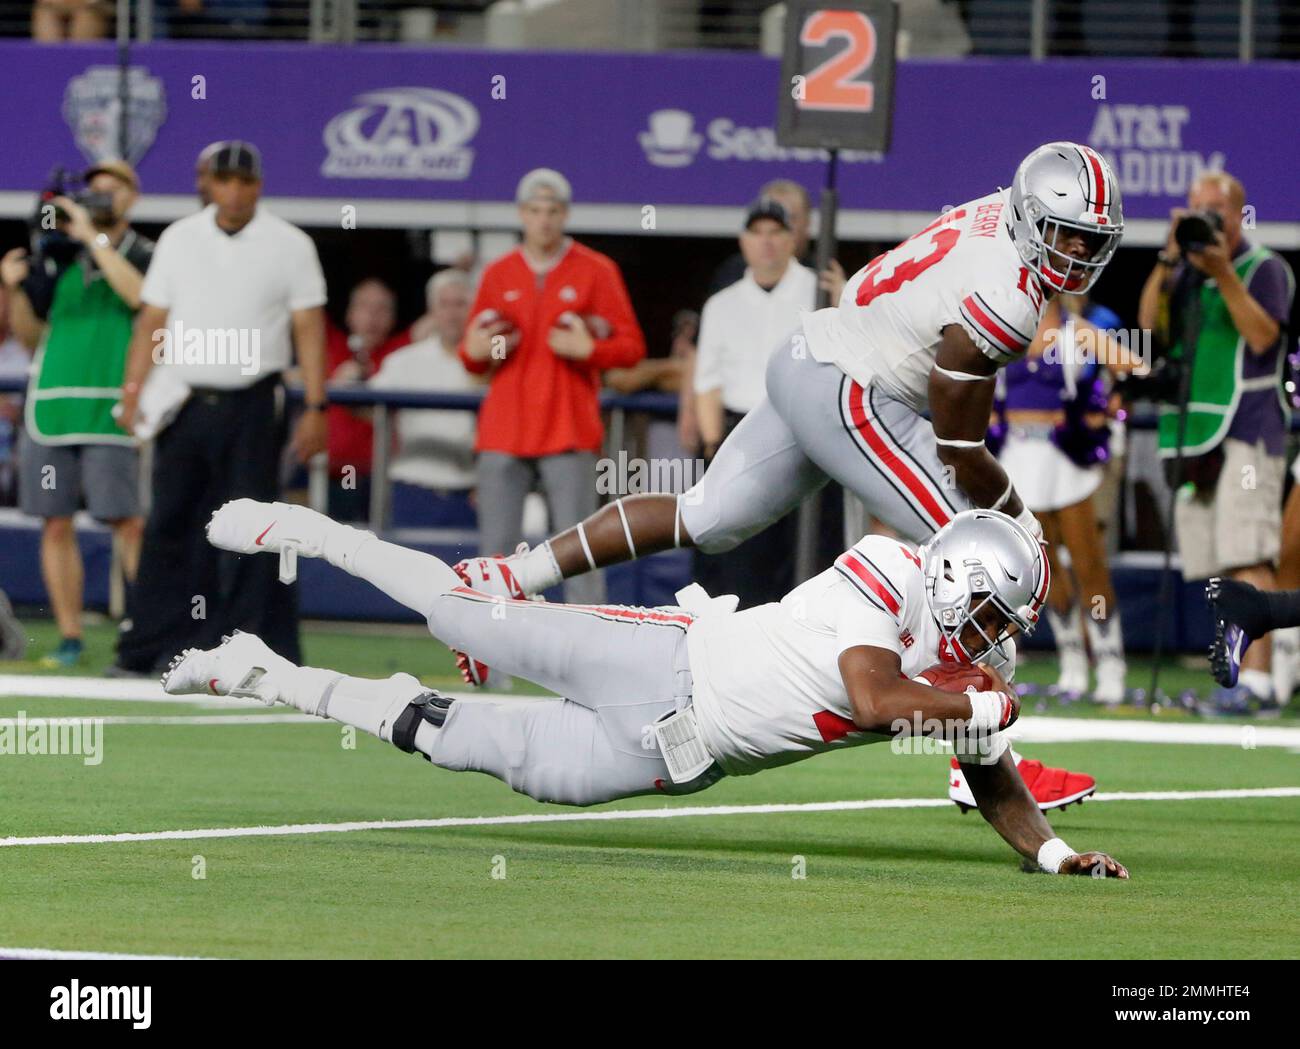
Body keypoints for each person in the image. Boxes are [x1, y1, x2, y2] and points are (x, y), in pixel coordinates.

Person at [453, 142, 1124, 811]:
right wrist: (1016, 514)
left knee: (706, 515)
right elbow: (958, 442)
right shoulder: (1010, 299)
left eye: (1090, 239)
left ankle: (517, 573)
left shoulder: (988, 214)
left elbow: (869, 286)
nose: (1078, 253)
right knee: (986, 557)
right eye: (1066, 233)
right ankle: (973, 756)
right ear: (1030, 217)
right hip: (855, 391)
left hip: (811, 350)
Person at [166, 496, 1127, 878]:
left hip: (676, 756)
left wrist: (1056, 855)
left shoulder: (968, 677)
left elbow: (994, 777)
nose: (1003, 642)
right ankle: (312, 530)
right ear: (956, 580)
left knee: (451, 740)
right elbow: (875, 697)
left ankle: (264, 672)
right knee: (461, 616)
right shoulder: (885, 567)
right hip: (664, 661)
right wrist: (980, 706)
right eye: (1000, 616)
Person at [112, 141, 328, 674]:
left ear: (258, 184)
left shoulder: (290, 244)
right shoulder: (179, 239)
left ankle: (261, 650)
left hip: (253, 403)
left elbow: (309, 326)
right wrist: (132, 392)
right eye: (224, 179)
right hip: (185, 401)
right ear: (206, 182)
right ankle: (155, 647)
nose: (234, 190)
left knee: (257, 529)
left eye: (244, 181)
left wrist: (318, 404)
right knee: (170, 524)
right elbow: (151, 320)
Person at [1137, 172, 1296, 715]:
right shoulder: (1184, 271)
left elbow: (1262, 337)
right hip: (1196, 434)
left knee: (1249, 553)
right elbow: (1149, 331)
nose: (1208, 219)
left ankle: (1260, 684)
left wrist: (1225, 273)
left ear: (1238, 214)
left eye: (1217, 211)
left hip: (1249, 428)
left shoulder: (1265, 268)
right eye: (1197, 210)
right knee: (1217, 564)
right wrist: (1167, 259)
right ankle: (1235, 682)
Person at [458, 167, 645, 613]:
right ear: (522, 214)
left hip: (568, 428)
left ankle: (586, 657)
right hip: (504, 429)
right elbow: (472, 354)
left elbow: (631, 348)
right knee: (495, 555)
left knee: (579, 548)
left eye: (553, 211)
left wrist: (589, 349)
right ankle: (490, 665)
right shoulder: (499, 273)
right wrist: (480, 348)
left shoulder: (596, 270)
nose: (543, 220)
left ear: (565, 215)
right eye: (535, 210)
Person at [2, 160, 150, 668]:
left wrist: (94, 238)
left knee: (127, 522)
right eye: (92, 193)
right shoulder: (59, 257)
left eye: (112, 191)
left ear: (133, 196)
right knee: (54, 524)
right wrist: (17, 285)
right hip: (53, 404)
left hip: (113, 405)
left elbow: (140, 298)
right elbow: (30, 334)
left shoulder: (146, 253)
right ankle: (69, 638)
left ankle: (147, 633)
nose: (100, 200)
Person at [996, 295, 1136, 703]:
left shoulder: (1078, 331)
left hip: (1065, 460)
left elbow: (1132, 366)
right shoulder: (1008, 330)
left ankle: (1111, 665)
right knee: (1045, 567)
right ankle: (1072, 665)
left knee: (1089, 563)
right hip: (1017, 460)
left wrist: (1109, 402)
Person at [692, 197, 816, 607]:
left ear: (791, 239)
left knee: (801, 550)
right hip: (736, 434)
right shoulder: (722, 303)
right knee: (733, 551)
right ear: (744, 241)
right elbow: (707, 380)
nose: (766, 243)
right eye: (757, 233)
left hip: (802, 429)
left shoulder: (818, 291)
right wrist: (713, 447)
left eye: (775, 232)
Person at [368, 269, 480, 525]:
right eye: (444, 304)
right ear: (432, 310)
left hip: (471, 493)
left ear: (474, 309)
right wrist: (347, 381)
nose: (452, 314)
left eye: (460, 304)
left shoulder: (492, 365)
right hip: (414, 490)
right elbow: (364, 406)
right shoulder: (404, 361)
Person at [323, 278, 410, 521]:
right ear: (350, 314)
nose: (372, 316)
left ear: (393, 317)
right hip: (338, 475)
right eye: (365, 307)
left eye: (382, 309)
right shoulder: (329, 345)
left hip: (384, 477)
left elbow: (440, 320)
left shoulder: (402, 354)